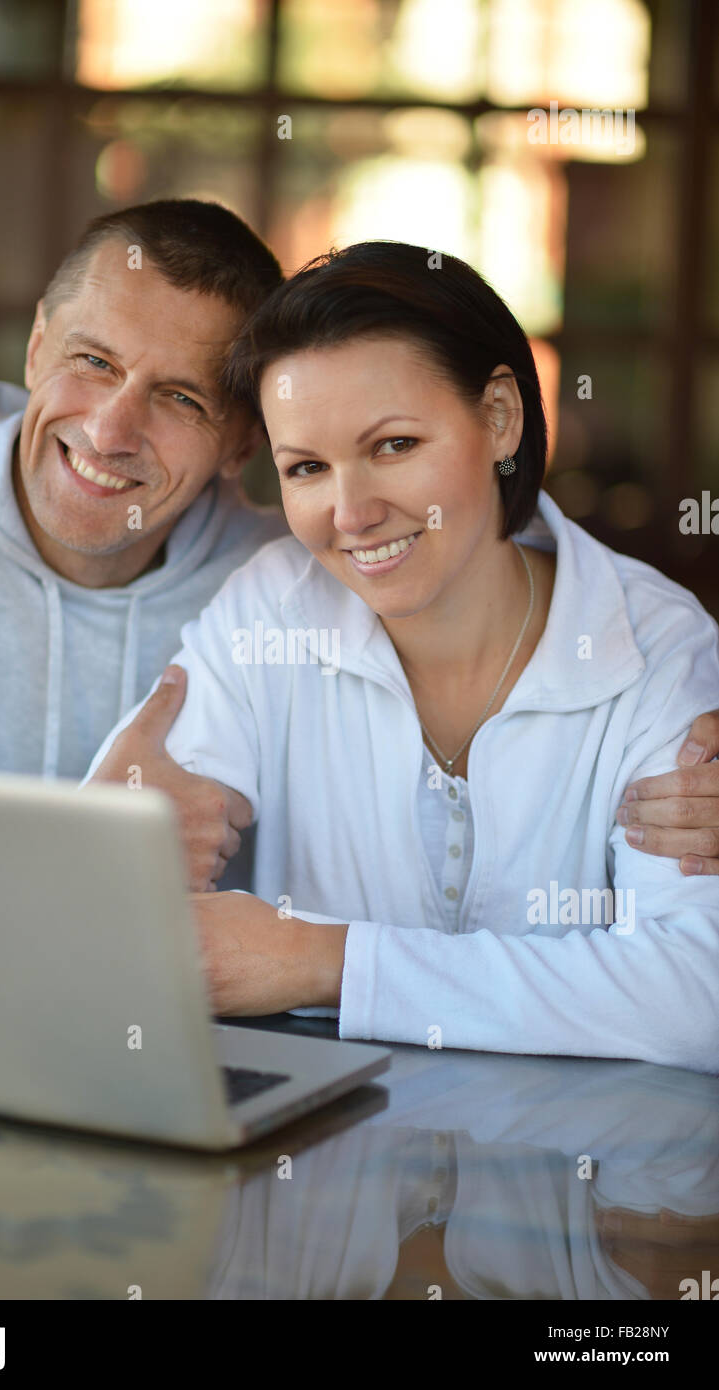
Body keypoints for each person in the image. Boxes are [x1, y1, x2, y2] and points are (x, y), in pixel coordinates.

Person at [85, 242, 719, 1071]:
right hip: (316, 1175)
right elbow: (111, 938)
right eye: (307, 467)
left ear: (499, 417)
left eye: (392, 446)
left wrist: (320, 961)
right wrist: (110, 843)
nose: (350, 513)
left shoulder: (657, 649)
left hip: (576, 1185)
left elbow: (694, 1000)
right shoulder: (269, 613)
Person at [0, 199, 289, 888]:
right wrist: (92, 855)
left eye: (180, 398)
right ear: (35, 348)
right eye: (92, 360)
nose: (110, 431)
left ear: (242, 445)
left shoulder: (284, 591)